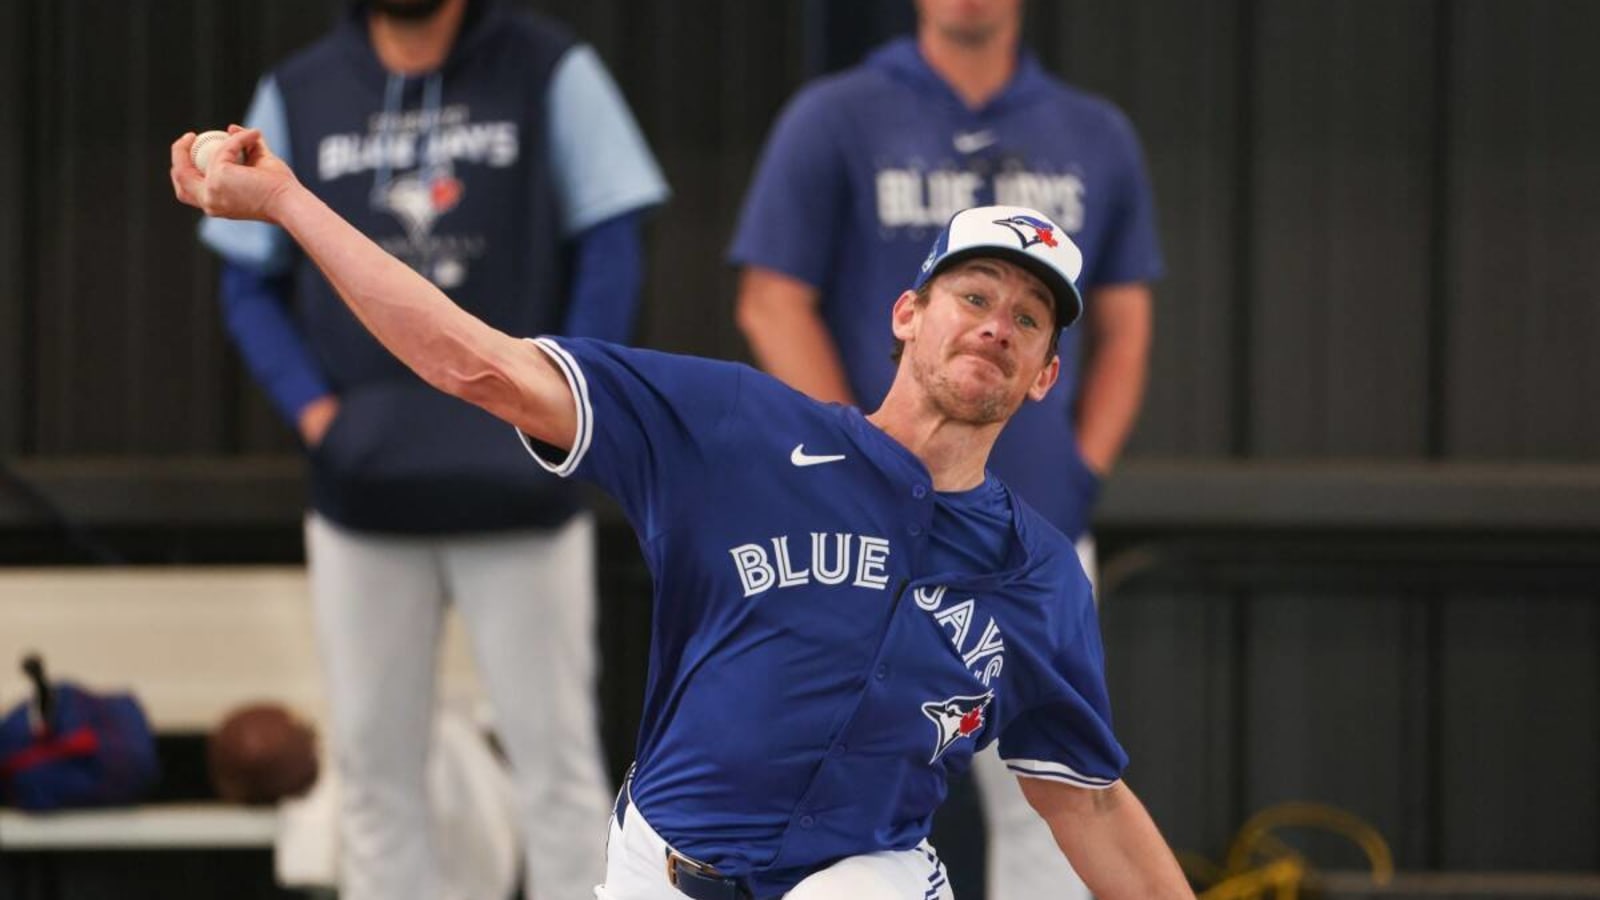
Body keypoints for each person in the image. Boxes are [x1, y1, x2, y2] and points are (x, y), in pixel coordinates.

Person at [171, 127, 1190, 899]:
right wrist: (289, 202)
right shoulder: (738, 427)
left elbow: (1089, 800)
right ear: (908, 313)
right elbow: (479, 365)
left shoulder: (1037, 573)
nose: (998, 326)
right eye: (975, 295)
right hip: (662, 868)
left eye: (1028, 319)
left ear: (1046, 375)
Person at [195, 2, 669, 898]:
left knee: (559, 771)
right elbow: (245, 280)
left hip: (524, 487)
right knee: (373, 773)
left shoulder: (551, 69)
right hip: (363, 493)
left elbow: (613, 242)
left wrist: (570, 405)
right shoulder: (300, 88)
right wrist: (318, 416)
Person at [729, 2, 1161, 896]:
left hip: (1027, 533)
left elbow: (1126, 326)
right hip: (857, 532)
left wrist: (1081, 472)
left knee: (1054, 793)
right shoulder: (836, 115)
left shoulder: (1096, 133)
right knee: (824, 767)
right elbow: (771, 300)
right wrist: (856, 461)